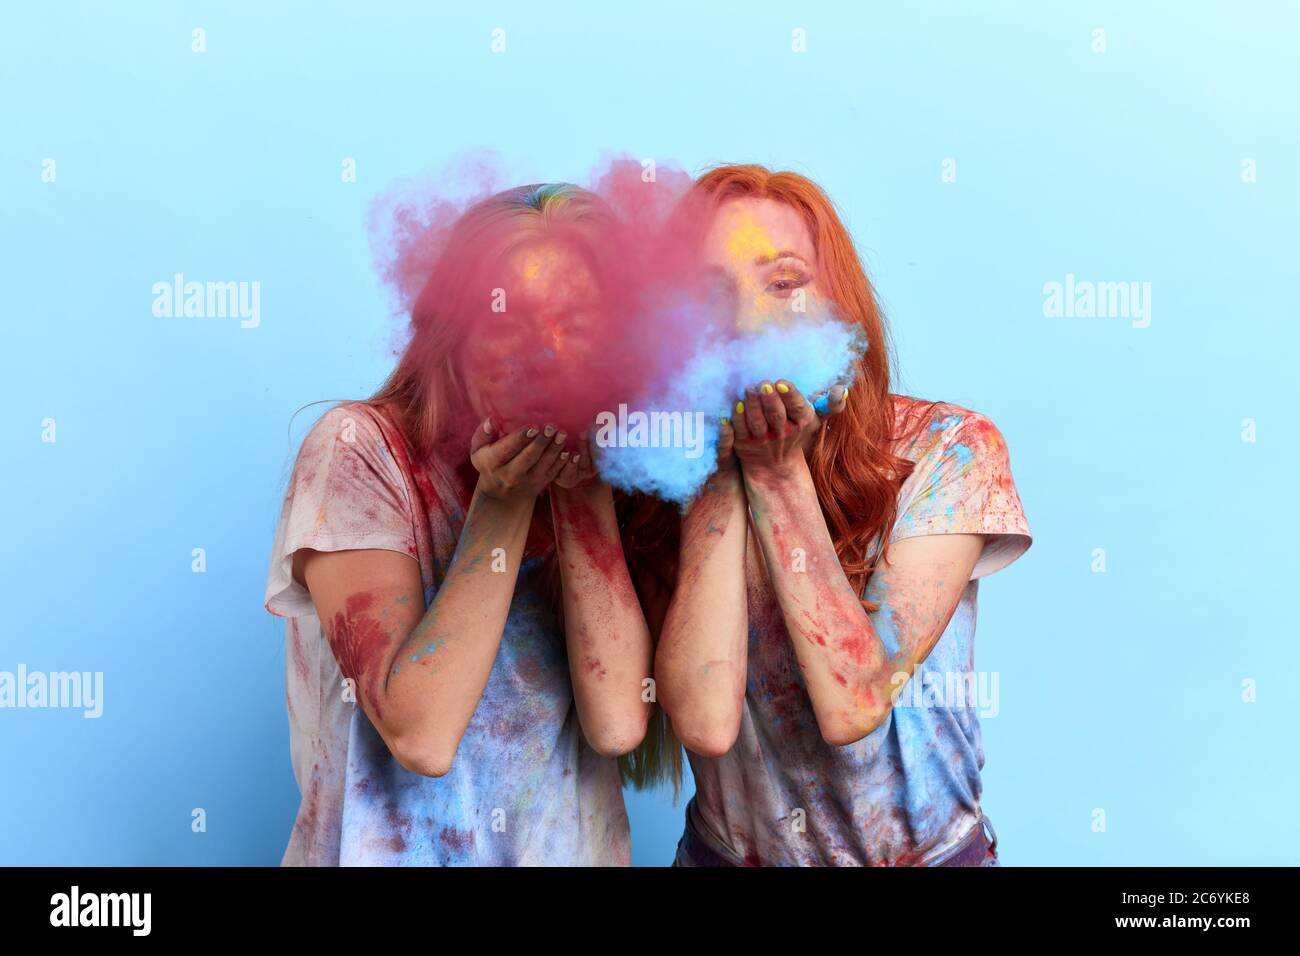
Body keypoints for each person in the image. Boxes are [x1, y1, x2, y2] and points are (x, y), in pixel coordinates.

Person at [648, 165, 1032, 866]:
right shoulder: (666, 467)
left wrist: (775, 471)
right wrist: (723, 474)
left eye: (785, 284)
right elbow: (703, 722)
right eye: (709, 295)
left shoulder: (948, 449)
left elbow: (853, 703)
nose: (746, 320)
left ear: (838, 305)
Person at [263, 184, 653, 865]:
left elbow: (618, 723)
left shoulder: (609, 467)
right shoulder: (359, 450)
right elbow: (421, 734)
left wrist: (579, 490)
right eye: (509, 321)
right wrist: (502, 505)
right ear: (452, 335)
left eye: (579, 325)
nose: (547, 353)